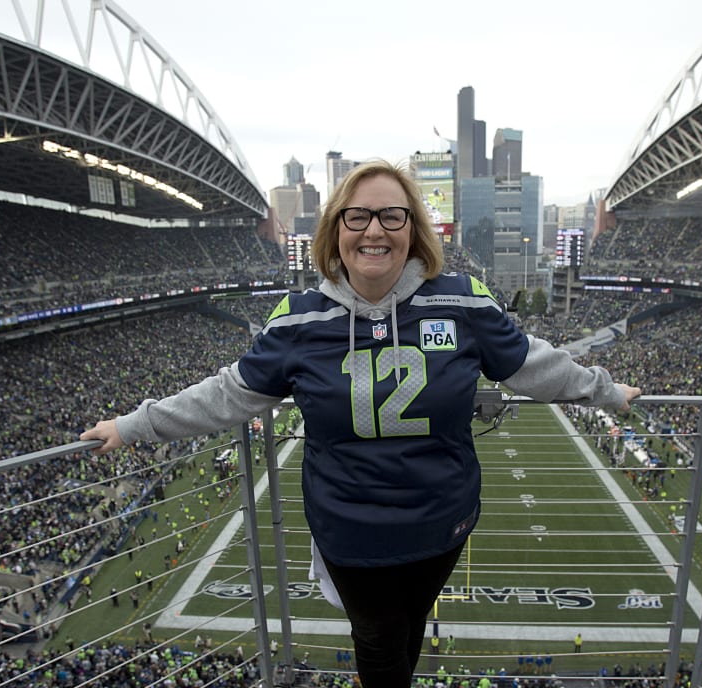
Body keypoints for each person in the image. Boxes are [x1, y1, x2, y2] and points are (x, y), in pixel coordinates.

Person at [81, 159, 641, 688]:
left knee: (405, 624)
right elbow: (230, 394)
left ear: (413, 229)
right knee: (375, 638)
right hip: (350, 528)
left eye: (392, 215)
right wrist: (134, 425)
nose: (375, 230)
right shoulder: (299, 319)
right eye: (358, 215)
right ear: (336, 230)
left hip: (439, 519)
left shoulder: (463, 302)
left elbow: (532, 367)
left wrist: (606, 391)